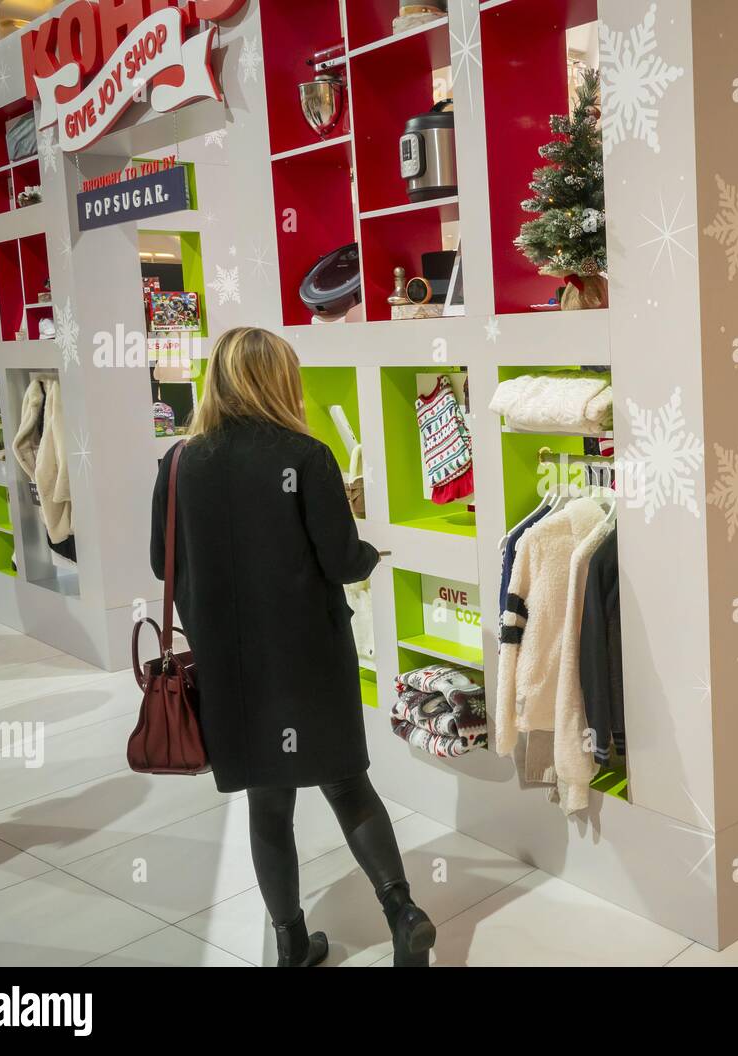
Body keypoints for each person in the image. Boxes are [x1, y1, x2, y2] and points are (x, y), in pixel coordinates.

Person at [149, 327, 436, 968]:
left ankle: (290, 943)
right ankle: (403, 912)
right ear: (281, 380)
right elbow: (341, 561)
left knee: (267, 804)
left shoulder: (177, 464)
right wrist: (370, 554)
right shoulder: (306, 457)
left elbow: (160, 561)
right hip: (308, 656)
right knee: (348, 786)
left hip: (231, 667)